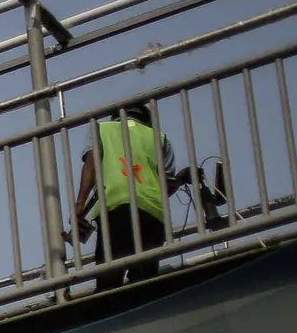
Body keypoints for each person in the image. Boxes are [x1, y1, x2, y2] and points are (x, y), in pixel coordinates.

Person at [73, 100, 228, 291]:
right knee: (145, 281)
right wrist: (180, 178)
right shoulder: (159, 138)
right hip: (152, 214)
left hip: (115, 209)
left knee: (109, 280)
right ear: (146, 119)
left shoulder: (100, 129)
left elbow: (91, 164)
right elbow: (166, 186)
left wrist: (80, 205)